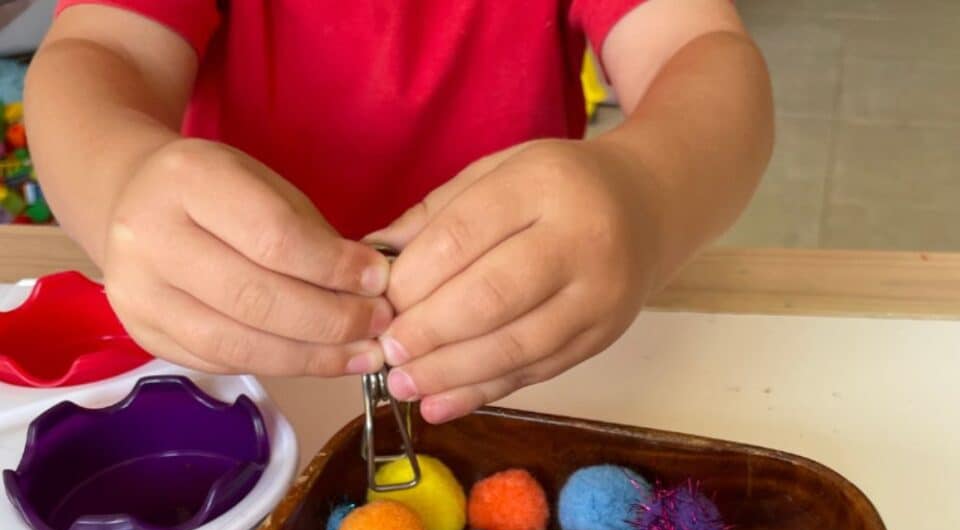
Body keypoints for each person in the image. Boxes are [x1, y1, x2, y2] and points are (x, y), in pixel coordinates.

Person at [25, 0, 772, 424]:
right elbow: (95, 51)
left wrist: (645, 193)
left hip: (519, 355)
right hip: (234, 360)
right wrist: (119, 183)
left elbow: (704, 53)